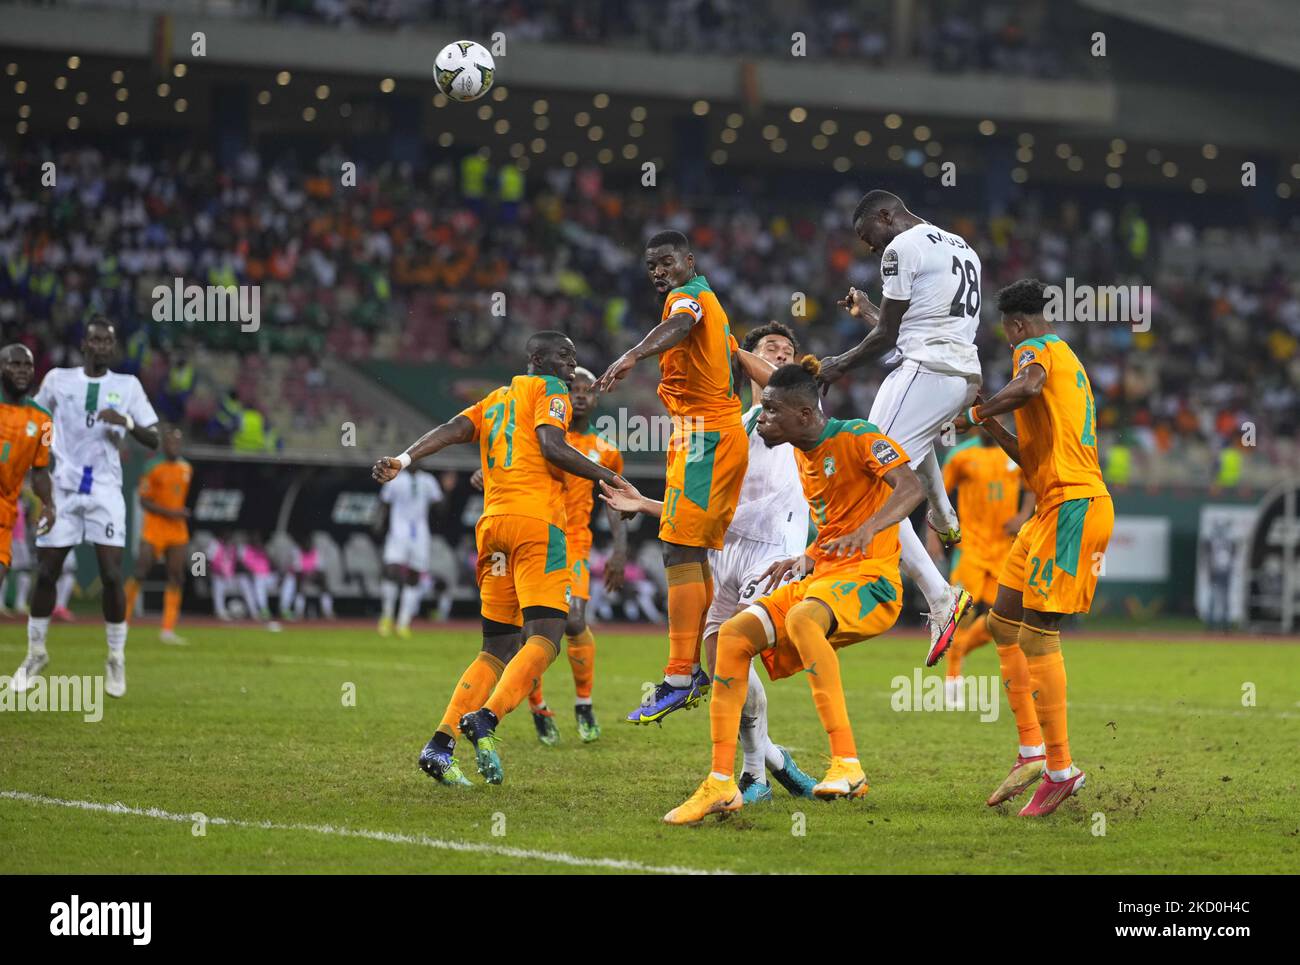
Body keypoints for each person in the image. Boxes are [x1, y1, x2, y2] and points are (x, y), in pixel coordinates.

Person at [605, 357, 926, 824]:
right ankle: (721, 782)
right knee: (732, 639)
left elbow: (911, 487)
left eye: (773, 410)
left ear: (804, 413)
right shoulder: (802, 452)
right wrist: (811, 553)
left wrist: (870, 529)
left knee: (801, 619)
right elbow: (835, 517)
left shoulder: (857, 435)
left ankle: (847, 763)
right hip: (822, 576)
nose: (764, 418)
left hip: (871, 580)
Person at [373, 331, 626, 787]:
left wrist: (405, 458)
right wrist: (612, 477)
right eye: (564, 357)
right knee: (547, 639)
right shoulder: (550, 391)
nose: (572, 366)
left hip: (492, 528)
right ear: (539, 360)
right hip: (536, 526)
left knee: (495, 648)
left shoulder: (495, 399)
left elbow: (453, 429)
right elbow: (552, 445)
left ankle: (440, 742)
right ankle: (485, 718)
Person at [952, 278, 1114, 816]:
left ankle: (1060, 769)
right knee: (1002, 621)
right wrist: (991, 421)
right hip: (1051, 506)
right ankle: (1030, 749)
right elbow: (1030, 456)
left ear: (1016, 325)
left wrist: (975, 414)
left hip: (1074, 506)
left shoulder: (1036, 349)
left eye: (1005, 334)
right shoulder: (1066, 359)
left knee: (1040, 633)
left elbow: (1027, 385)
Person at [594, 230, 768, 724]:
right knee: (688, 549)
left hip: (707, 436)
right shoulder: (710, 308)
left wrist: (631, 354)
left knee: (678, 547)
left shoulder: (688, 298)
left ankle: (679, 675)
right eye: (652, 265)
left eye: (667, 261)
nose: (659, 271)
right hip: (698, 436)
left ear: (688, 261)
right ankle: (696, 665)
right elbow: (732, 353)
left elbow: (677, 324)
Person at [817, 189, 979, 666]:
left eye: (869, 236)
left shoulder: (899, 248)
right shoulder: (959, 245)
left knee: (869, 477)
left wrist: (836, 364)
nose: (871, 248)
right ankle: (944, 517)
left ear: (886, 215)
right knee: (897, 450)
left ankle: (939, 597)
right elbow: (913, 326)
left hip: (926, 371)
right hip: (960, 374)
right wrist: (868, 309)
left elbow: (889, 336)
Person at [13, 318, 160, 698]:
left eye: (107, 341)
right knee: (47, 572)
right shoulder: (59, 380)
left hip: (106, 491)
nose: (100, 346)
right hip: (62, 486)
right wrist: (38, 460)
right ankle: (35, 653)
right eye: (94, 339)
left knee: (112, 575)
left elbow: (154, 437)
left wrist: (126, 421)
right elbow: (36, 417)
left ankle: (115, 657)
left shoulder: (127, 386)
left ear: (113, 347)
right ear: (84, 344)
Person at [512, 366, 627, 745]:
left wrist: (619, 548)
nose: (579, 395)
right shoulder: (541, 436)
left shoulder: (606, 451)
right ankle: (539, 706)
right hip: (533, 537)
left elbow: (614, 501)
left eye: (587, 390)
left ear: (596, 398)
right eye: (573, 389)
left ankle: (583, 703)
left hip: (574, 543)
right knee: (529, 632)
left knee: (574, 621)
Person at [940, 428, 1034, 707]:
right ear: (977, 424)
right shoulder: (960, 455)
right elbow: (938, 494)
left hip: (1004, 547)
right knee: (963, 613)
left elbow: (1031, 487)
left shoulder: (1014, 453)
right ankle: (953, 675)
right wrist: (935, 535)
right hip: (969, 548)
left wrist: (1022, 516)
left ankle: (957, 650)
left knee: (1001, 620)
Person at [0, 345, 55, 644]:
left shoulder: (43, 420)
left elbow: (40, 471)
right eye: (14, 364)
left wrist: (48, 503)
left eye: (27, 365)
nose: (22, 370)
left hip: (6, 514)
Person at [125, 425, 193, 644]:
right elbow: (144, 500)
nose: (174, 446)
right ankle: (122, 620)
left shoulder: (186, 469)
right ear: (164, 444)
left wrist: (178, 513)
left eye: (178, 442)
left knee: (176, 575)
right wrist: (171, 512)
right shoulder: (152, 467)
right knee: (141, 570)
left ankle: (167, 629)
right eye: (171, 442)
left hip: (178, 529)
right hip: (155, 527)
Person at [375, 466, 443, 639]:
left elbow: (440, 507)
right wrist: (378, 524)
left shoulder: (428, 480)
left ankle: (403, 623)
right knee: (391, 570)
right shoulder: (395, 478)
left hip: (420, 534)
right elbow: (384, 502)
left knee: (414, 576)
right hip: (398, 532)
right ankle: (387, 616)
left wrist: (447, 491)